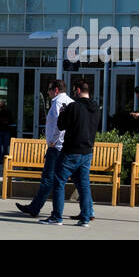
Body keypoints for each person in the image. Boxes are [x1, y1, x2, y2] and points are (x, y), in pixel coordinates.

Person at [45, 80, 100, 227]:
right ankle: (85, 218)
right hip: (87, 152)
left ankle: (57, 217)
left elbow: (61, 125)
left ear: (77, 90)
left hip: (71, 151)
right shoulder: (95, 107)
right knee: (84, 185)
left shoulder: (73, 107)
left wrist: (63, 113)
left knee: (59, 182)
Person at [16, 79, 72, 220]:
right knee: (77, 180)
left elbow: (60, 125)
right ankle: (88, 212)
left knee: (48, 179)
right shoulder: (71, 102)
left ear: (56, 90)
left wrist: (52, 141)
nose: (47, 92)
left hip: (56, 147)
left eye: (49, 89)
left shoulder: (58, 104)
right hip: (65, 147)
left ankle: (35, 208)